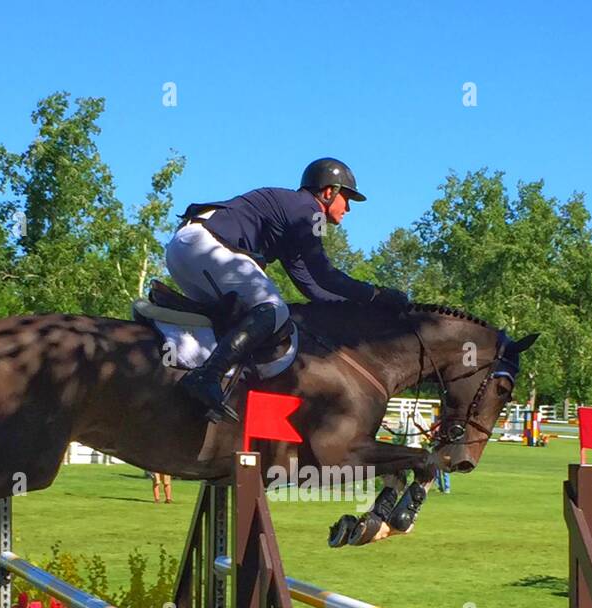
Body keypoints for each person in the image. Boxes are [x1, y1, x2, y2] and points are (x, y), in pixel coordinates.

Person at [165, 158, 410, 421]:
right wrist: (376, 295)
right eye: (347, 199)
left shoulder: (294, 214)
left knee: (237, 319)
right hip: (206, 246)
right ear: (329, 192)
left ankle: (210, 386)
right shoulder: (308, 211)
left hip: (188, 249)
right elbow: (325, 274)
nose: (348, 208)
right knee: (272, 309)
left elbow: (311, 287)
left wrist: (354, 309)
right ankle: (207, 377)